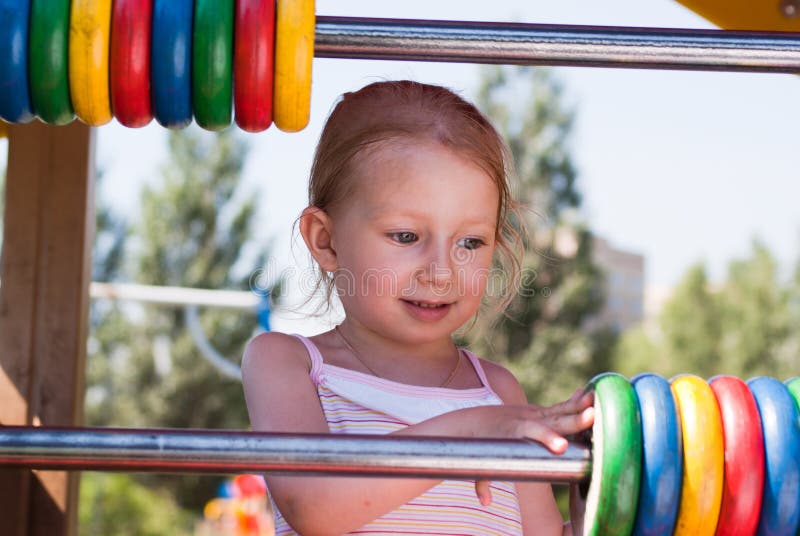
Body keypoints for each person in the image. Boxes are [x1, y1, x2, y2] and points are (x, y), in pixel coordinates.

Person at [241, 80, 595, 536]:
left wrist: (601, 489)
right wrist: (473, 432)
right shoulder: (288, 363)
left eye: (470, 242)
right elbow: (313, 509)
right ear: (325, 241)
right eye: (406, 236)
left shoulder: (499, 392)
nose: (441, 271)